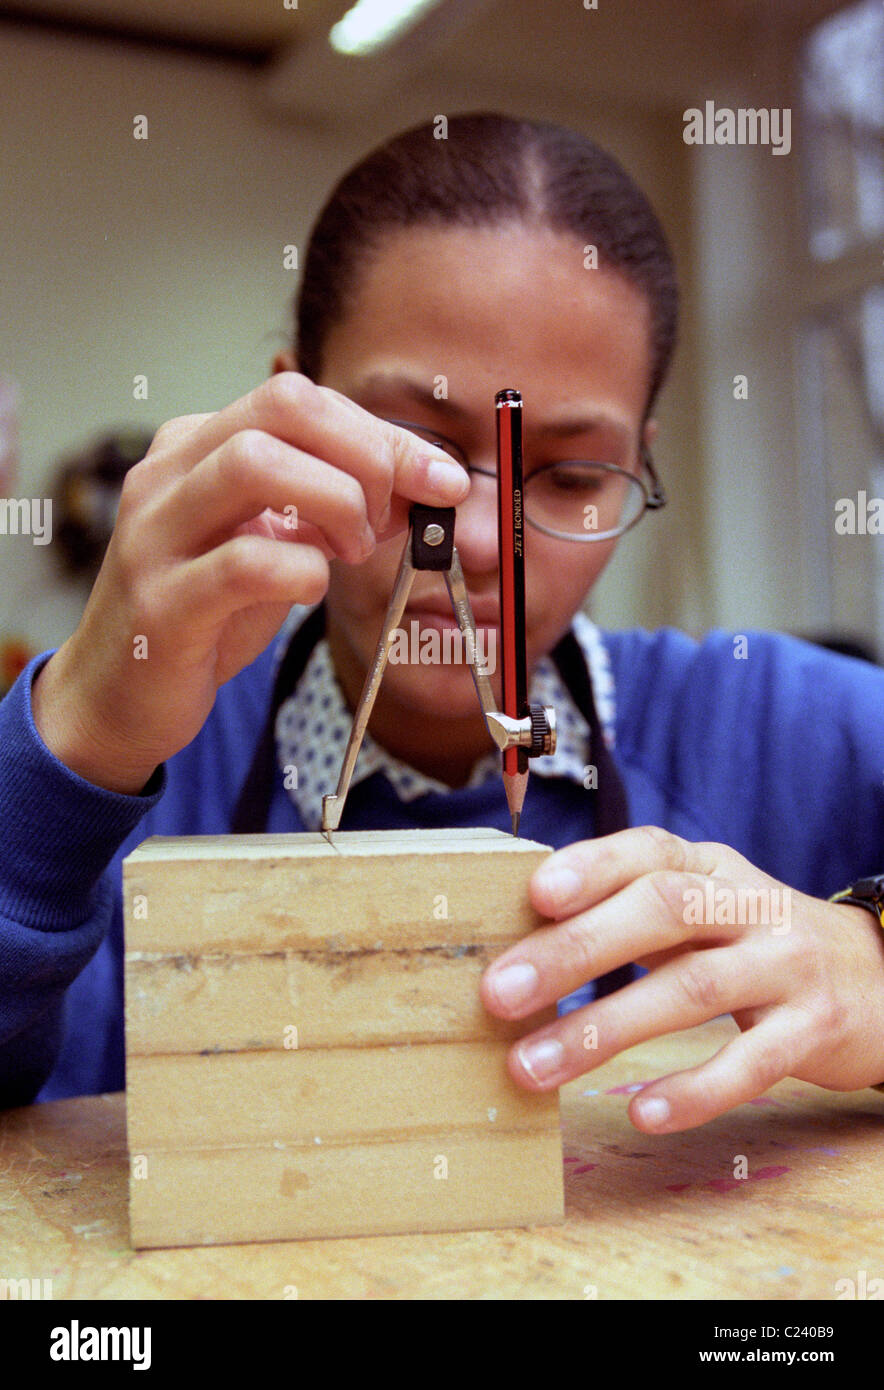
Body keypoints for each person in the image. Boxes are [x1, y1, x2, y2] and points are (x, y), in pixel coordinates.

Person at [2, 112, 884, 1129]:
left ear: (636, 467)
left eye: (565, 474)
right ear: (289, 411)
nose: (474, 540)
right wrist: (72, 745)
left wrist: (867, 952)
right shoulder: (127, 768)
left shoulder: (775, 729)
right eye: (407, 447)